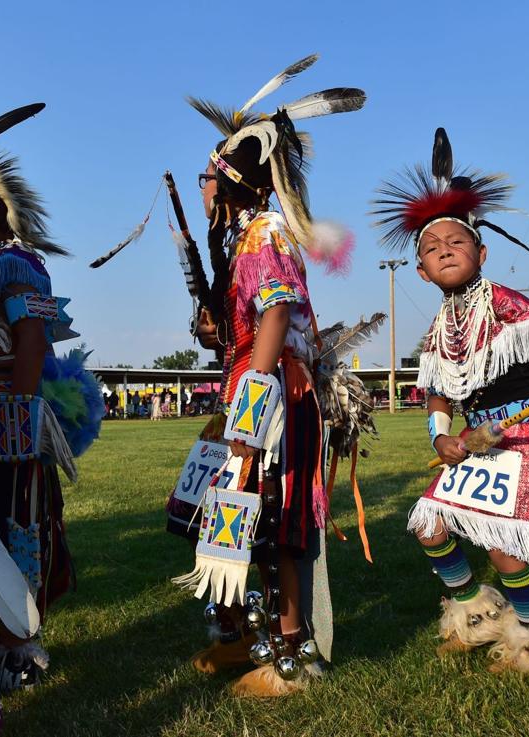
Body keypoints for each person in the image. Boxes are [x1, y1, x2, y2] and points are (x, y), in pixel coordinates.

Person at [372, 128, 529, 672]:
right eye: (432, 248)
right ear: (421, 271)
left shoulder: (506, 303)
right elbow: (435, 387)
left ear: (481, 251)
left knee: (506, 550)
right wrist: (440, 435)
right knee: (429, 527)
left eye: (455, 242)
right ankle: (476, 615)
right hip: (478, 442)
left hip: (527, 435)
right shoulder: (441, 322)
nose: (444, 251)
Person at [166, 54, 365, 696]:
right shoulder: (248, 238)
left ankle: (287, 653)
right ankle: (235, 635)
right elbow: (258, 320)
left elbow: (276, 312)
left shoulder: (263, 237)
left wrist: (248, 417)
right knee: (223, 513)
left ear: (231, 182)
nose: (201, 189)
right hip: (256, 387)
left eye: (206, 176)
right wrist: (217, 333)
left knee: (275, 518)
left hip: (273, 399)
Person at [0, 147, 103, 690]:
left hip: (9, 426)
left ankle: (19, 644)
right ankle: (7, 636)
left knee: (17, 523)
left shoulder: (12, 268)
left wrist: (18, 419)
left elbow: (30, 340)